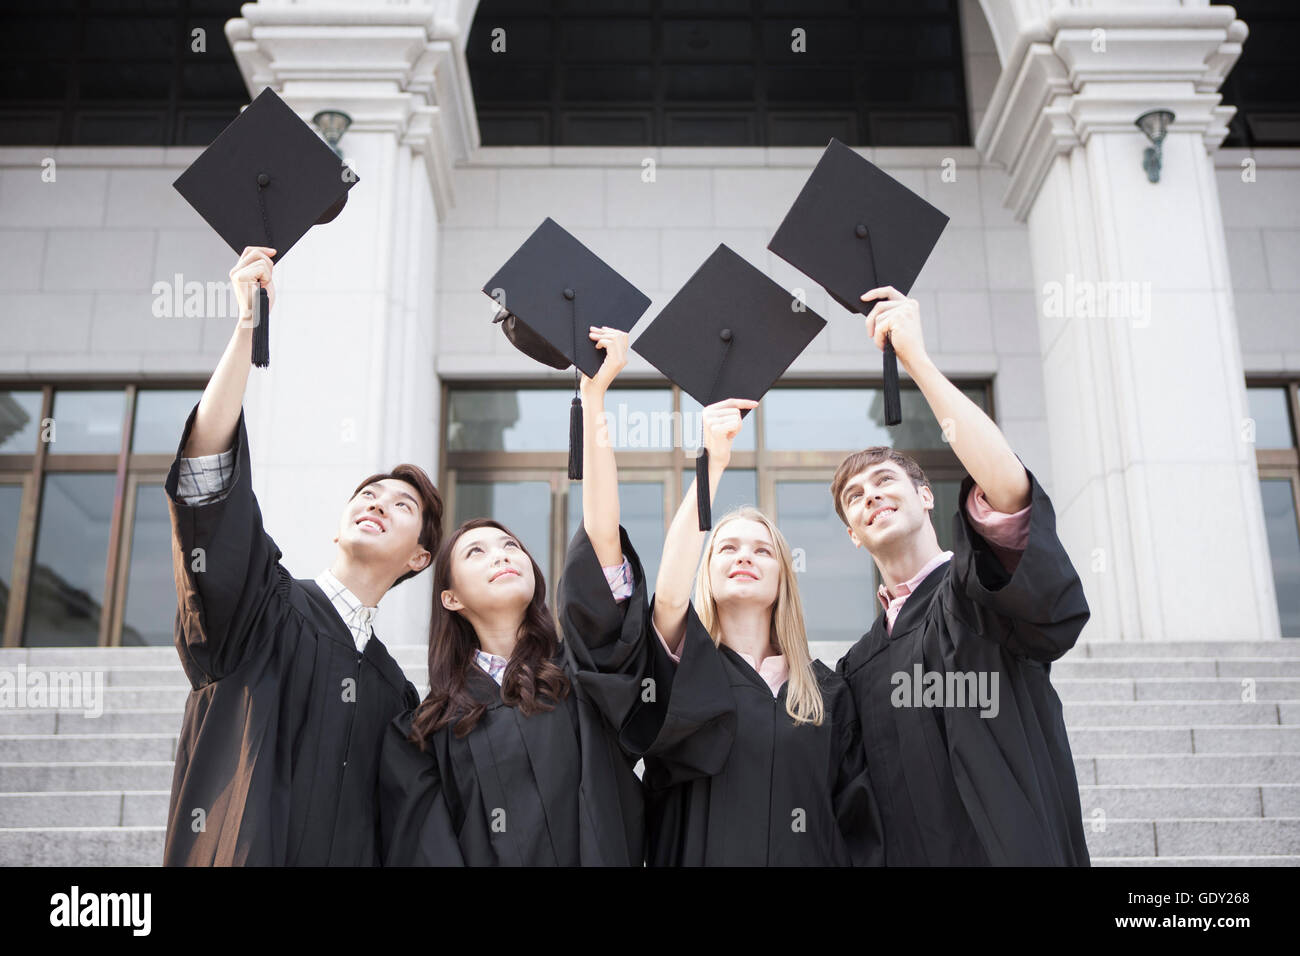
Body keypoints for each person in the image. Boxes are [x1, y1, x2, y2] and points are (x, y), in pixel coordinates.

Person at [163, 246, 443, 866]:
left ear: (420, 559)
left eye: (402, 506)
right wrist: (245, 328)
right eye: (367, 495)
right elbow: (209, 480)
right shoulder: (263, 607)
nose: (377, 503)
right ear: (339, 527)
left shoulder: (396, 694)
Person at [833, 285, 1092, 866]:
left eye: (885, 482)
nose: (871, 496)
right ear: (852, 533)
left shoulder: (980, 599)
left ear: (926, 495)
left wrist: (916, 361)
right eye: (855, 497)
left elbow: (1007, 491)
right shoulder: (857, 668)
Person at [378, 326, 647, 866]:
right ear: (450, 598)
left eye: (509, 545)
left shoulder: (580, 679)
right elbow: (426, 848)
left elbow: (602, 538)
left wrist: (594, 399)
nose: (501, 554)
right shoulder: (427, 728)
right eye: (476, 553)